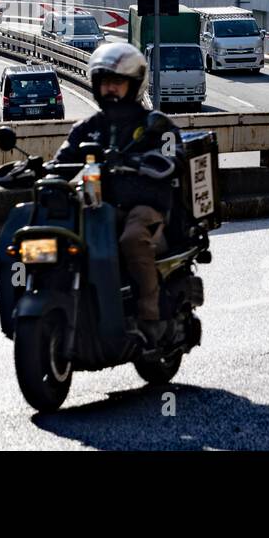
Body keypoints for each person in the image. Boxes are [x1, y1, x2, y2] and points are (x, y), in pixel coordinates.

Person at [54, 42, 176, 345]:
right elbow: (63, 162)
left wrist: (149, 161)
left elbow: (173, 157)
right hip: (100, 206)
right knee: (60, 234)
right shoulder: (88, 127)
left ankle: (151, 317)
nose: (110, 89)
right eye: (105, 82)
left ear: (133, 85)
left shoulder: (154, 126)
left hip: (145, 208)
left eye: (117, 83)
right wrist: (42, 172)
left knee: (132, 238)